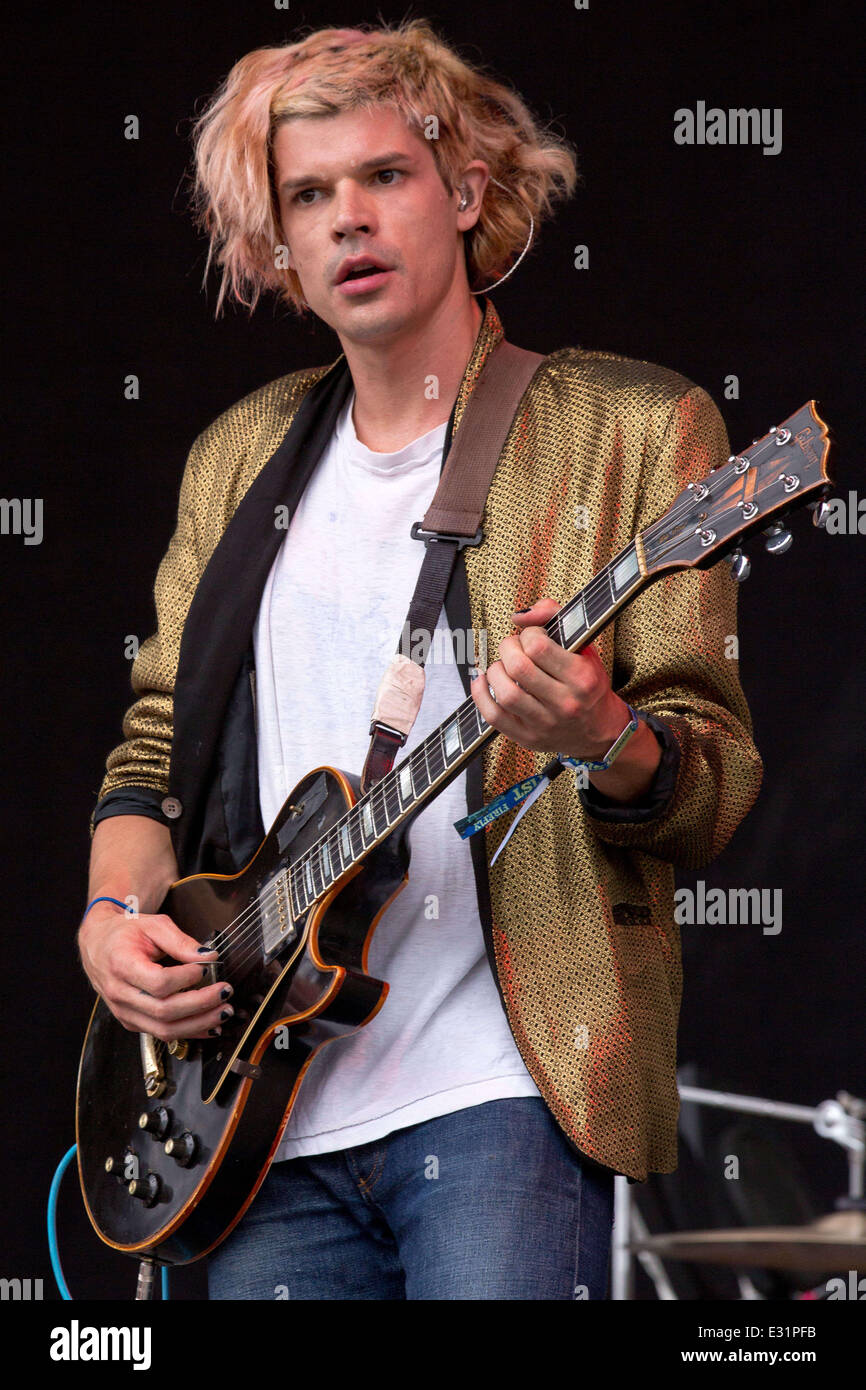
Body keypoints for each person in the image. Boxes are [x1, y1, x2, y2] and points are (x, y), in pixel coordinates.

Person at [78, 19, 763, 1300]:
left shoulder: (628, 427)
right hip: (256, 1120)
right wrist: (114, 921)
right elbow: (151, 749)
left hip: (497, 1093)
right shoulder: (237, 456)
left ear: (464, 190)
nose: (348, 219)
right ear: (276, 241)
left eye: (385, 176)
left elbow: (710, 778)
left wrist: (603, 736)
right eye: (308, 194)